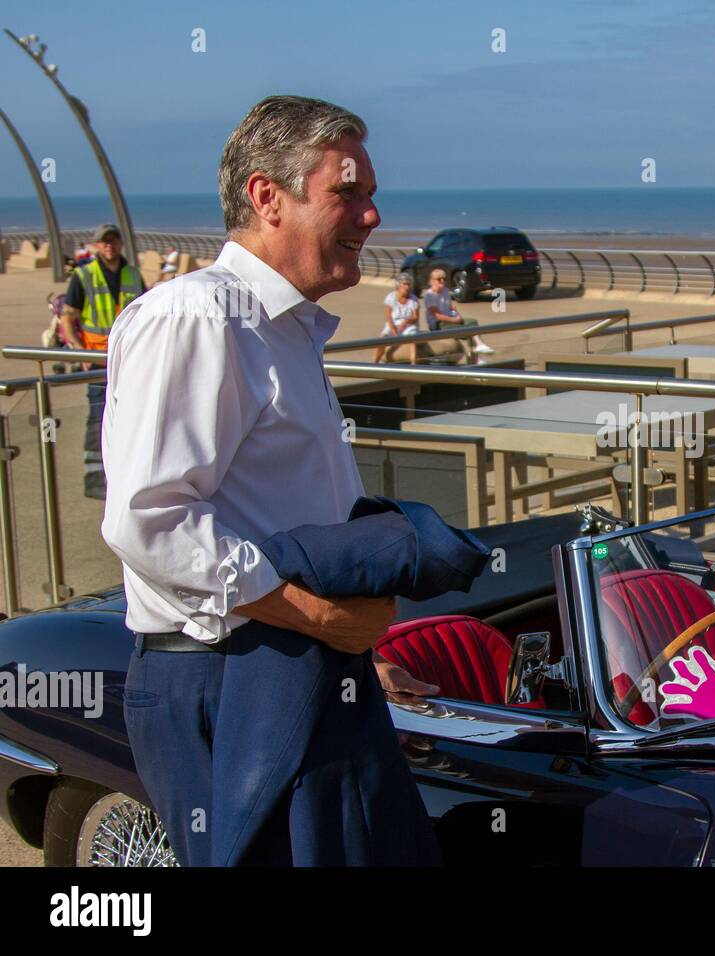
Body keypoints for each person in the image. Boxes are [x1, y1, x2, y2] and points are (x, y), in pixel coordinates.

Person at [100, 94, 445, 866]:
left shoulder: (285, 330)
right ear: (268, 197)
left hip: (301, 666)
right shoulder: (197, 318)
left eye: (371, 195)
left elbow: (287, 508)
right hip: (228, 684)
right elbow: (148, 520)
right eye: (347, 192)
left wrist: (350, 652)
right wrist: (318, 621)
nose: (372, 215)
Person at [60, 223, 146, 499]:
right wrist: (77, 350)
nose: (109, 245)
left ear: (121, 244)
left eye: (114, 240)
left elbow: (146, 313)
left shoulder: (133, 275)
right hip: (96, 360)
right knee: (98, 417)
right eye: (103, 241)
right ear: (96, 246)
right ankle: (95, 476)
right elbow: (67, 317)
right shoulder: (84, 275)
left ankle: (121, 476)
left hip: (129, 360)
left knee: (129, 417)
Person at [424, 268, 494, 359]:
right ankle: (477, 352)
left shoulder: (445, 291)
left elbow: (451, 307)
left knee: (472, 322)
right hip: (438, 324)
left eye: (444, 279)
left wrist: (458, 316)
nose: (442, 281)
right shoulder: (429, 295)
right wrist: (454, 320)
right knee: (468, 329)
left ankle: (478, 349)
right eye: (439, 279)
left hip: (450, 319)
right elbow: (437, 316)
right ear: (432, 281)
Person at [373, 272, 421, 363]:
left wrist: (406, 321)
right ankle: (375, 362)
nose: (407, 287)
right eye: (405, 284)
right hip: (393, 323)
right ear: (398, 285)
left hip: (408, 325)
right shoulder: (391, 297)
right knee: (381, 339)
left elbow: (416, 317)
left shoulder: (413, 299)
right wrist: (393, 330)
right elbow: (388, 317)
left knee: (412, 340)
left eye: (408, 285)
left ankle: (413, 364)